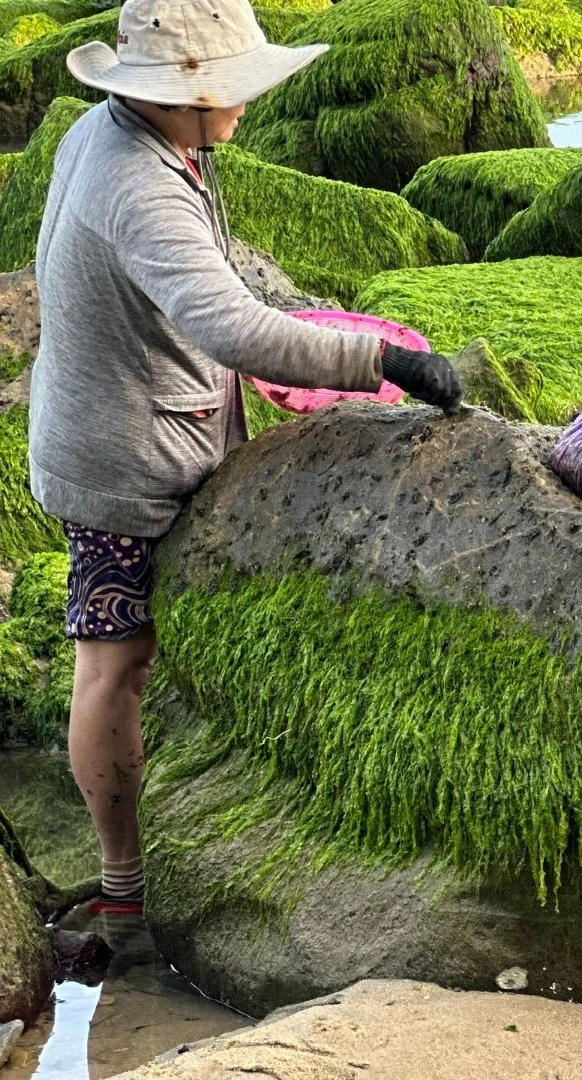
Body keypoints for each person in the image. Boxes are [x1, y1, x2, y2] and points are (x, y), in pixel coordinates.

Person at [29, 0, 465, 920]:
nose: (246, 103)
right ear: (179, 94)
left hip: (114, 416)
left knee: (132, 653)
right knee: (114, 661)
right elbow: (226, 323)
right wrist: (375, 360)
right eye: (233, 87)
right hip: (118, 461)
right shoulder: (137, 184)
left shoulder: (114, 134)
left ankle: (160, 829)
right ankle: (122, 886)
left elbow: (188, 298)